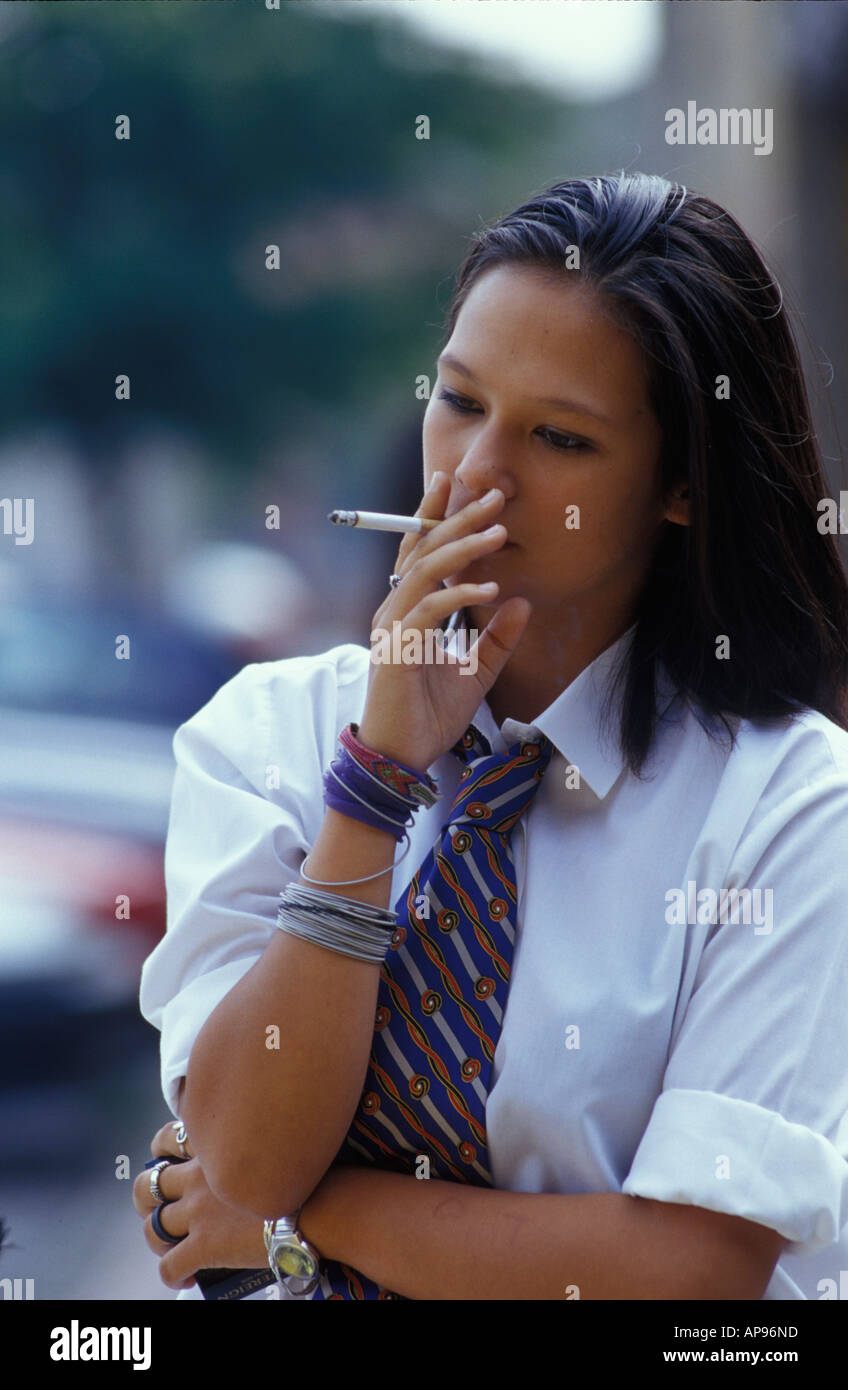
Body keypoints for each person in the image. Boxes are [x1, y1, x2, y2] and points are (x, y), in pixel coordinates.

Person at [135, 171, 848, 1300]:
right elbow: (249, 1149)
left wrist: (298, 1222)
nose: (472, 478)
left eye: (558, 438)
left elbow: (691, 1271)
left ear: (679, 487)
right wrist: (373, 781)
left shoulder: (785, 802)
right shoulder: (266, 733)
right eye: (458, 402)